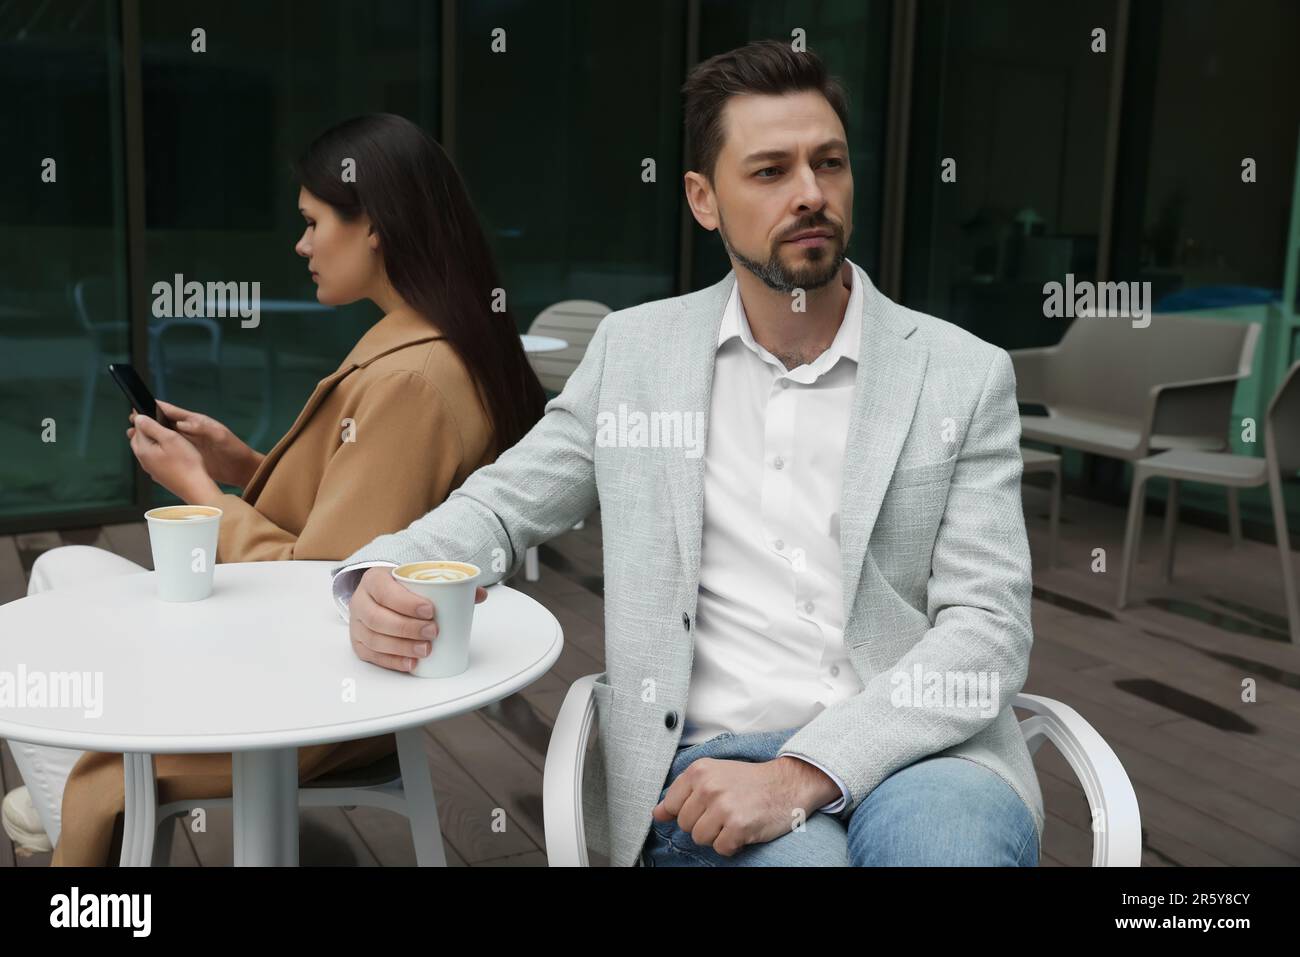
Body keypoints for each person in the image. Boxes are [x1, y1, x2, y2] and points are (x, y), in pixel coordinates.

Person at [333, 41, 1044, 866]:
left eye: (830, 163)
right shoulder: (637, 353)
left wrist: (809, 767)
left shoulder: (962, 373)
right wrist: (382, 574)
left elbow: (988, 630)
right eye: (771, 171)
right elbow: (504, 502)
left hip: (925, 755)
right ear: (703, 201)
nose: (811, 194)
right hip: (713, 758)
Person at [1, 113, 544, 865]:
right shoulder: (425, 346)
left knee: (63, 621)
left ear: (375, 227)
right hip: (311, 664)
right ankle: (79, 815)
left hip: (308, 694)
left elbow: (323, 582)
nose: (302, 244)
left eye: (313, 222)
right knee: (61, 576)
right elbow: (357, 514)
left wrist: (194, 488)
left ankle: (86, 833)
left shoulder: (412, 379)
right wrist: (240, 463)